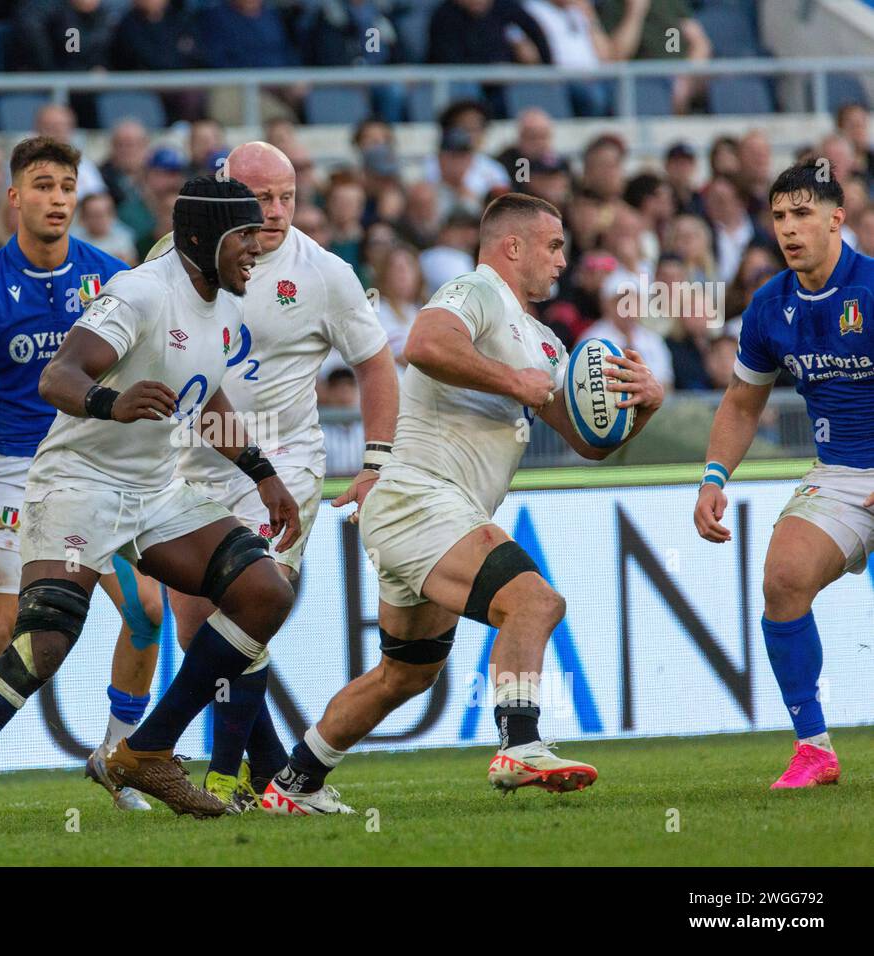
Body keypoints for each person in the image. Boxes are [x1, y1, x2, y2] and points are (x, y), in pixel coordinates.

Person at [0, 176, 301, 835]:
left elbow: (206, 400)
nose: (258, 246)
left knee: (262, 590)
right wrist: (113, 402)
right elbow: (59, 376)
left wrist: (262, 473)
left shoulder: (223, 309)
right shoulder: (139, 291)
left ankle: (146, 751)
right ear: (205, 237)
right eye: (246, 234)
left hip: (158, 492)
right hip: (79, 483)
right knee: (44, 642)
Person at [261, 194, 665, 815]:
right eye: (553, 246)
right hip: (420, 498)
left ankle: (295, 785)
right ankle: (521, 745)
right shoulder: (474, 292)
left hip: (430, 512)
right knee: (534, 601)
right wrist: (513, 383)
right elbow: (422, 344)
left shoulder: (547, 345)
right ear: (513, 247)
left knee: (407, 676)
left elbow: (588, 444)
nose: (563, 261)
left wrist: (641, 412)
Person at [96, 142, 398, 810]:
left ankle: (186, 760)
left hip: (280, 462)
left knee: (253, 600)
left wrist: (376, 462)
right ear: (224, 191)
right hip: (188, 459)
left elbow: (378, 364)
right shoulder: (172, 258)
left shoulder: (324, 273)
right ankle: (271, 777)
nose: (277, 211)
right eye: (263, 197)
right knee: (201, 628)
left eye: (287, 195)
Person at [0, 136, 156, 819]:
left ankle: (119, 758)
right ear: (15, 197)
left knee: (147, 616)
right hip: (17, 475)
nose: (57, 199)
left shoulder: (114, 277)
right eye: (43, 186)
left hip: (102, 472)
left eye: (67, 186)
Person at [694, 162, 874, 789]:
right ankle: (814, 749)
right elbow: (743, 402)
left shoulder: (872, 289)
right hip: (841, 473)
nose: (789, 229)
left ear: (836, 219)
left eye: (802, 214)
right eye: (778, 216)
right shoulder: (771, 305)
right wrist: (715, 477)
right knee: (782, 580)